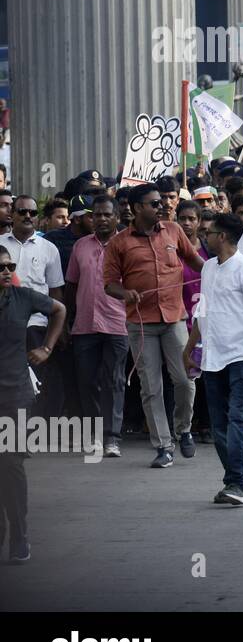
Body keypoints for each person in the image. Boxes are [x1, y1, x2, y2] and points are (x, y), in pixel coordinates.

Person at [104, 184, 208, 468]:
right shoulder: (119, 243)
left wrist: (220, 270)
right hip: (140, 324)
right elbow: (109, 284)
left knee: (185, 380)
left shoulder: (173, 231)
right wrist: (125, 294)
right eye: (153, 203)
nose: (161, 206)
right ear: (137, 208)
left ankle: (183, 428)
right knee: (151, 388)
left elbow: (196, 261)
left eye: (162, 202)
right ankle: (164, 446)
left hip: (175, 318)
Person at [182, 213, 243, 506]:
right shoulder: (209, 268)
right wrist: (189, 349)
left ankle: (237, 483)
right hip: (213, 358)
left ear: (222, 236)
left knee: (237, 419)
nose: (205, 237)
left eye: (208, 233)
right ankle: (232, 479)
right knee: (219, 424)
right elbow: (202, 312)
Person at [0, 245, 66, 562]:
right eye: (1, 266)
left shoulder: (23, 297)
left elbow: (59, 310)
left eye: (10, 265)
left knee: (10, 465)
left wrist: (47, 348)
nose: (6, 270)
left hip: (15, 394)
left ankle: (19, 533)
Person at [64, 195, 129, 458]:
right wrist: (70, 319)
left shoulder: (128, 245)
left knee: (114, 381)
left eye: (106, 214)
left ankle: (112, 437)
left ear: (116, 218)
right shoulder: (80, 246)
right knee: (87, 381)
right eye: (96, 214)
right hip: (84, 326)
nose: (100, 219)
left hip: (118, 324)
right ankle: (93, 435)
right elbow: (71, 286)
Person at [1, 195, 65, 418]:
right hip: (5, 327)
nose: (28, 216)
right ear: (12, 215)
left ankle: (26, 436)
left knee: (32, 385)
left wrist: (50, 343)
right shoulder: (0, 245)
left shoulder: (49, 249)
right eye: (22, 212)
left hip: (36, 326)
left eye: (33, 212)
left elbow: (56, 292)